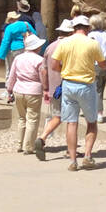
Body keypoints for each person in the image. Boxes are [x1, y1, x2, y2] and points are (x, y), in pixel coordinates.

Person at [46, 15, 106, 170]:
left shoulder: (64, 42)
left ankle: (73, 161)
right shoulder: (92, 43)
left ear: (73, 28)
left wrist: (67, 70)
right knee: (91, 122)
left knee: (71, 123)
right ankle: (87, 156)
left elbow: (54, 65)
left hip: (68, 84)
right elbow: (103, 65)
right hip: (87, 84)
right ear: (87, 28)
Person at [33, 19, 74, 161]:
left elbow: (43, 70)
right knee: (71, 119)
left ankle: (42, 137)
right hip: (68, 86)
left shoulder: (50, 47)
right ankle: (70, 150)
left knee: (57, 116)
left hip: (54, 88)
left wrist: (45, 88)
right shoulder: (70, 46)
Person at [4, 35, 47, 154]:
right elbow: (43, 77)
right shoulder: (39, 60)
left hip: (18, 89)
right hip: (33, 90)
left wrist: (9, 90)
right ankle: (28, 146)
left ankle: (20, 143)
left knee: (22, 118)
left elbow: (12, 75)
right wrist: (46, 89)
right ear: (36, 47)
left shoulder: (18, 58)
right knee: (32, 119)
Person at [0, 11, 33, 102]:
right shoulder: (26, 24)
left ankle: (9, 92)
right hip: (25, 49)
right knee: (23, 70)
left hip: (13, 51)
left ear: (10, 19)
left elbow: (5, 41)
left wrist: (0, 55)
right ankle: (22, 90)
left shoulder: (9, 27)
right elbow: (35, 34)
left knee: (10, 70)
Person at [89, 12, 106, 123]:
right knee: (101, 88)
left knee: (97, 90)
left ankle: (99, 114)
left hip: (96, 64)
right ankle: (97, 110)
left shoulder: (91, 36)